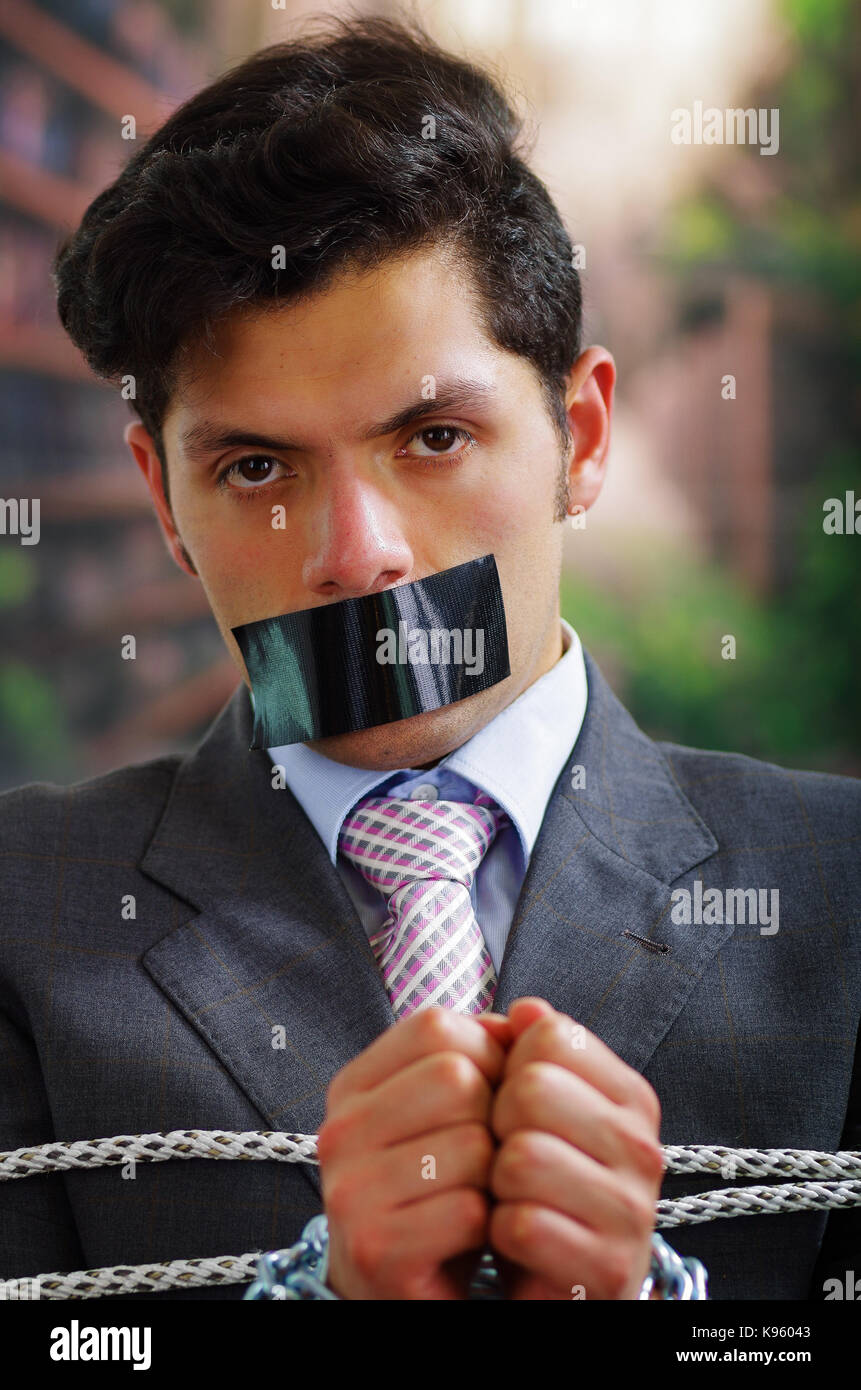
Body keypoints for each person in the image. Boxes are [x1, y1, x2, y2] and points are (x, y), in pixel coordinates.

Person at [1, 15, 858, 1302]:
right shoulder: (20, 913)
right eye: (254, 468)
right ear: (166, 504)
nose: (358, 556)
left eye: (434, 437)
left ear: (580, 434)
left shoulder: (844, 889)